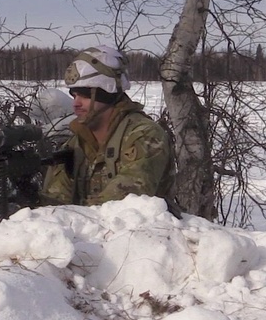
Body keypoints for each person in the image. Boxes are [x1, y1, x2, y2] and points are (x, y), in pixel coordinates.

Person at [40, 45, 175, 209]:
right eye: (74, 95)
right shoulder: (76, 143)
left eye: (85, 95)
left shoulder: (144, 135)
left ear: (106, 93)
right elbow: (54, 208)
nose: (76, 103)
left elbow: (123, 204)